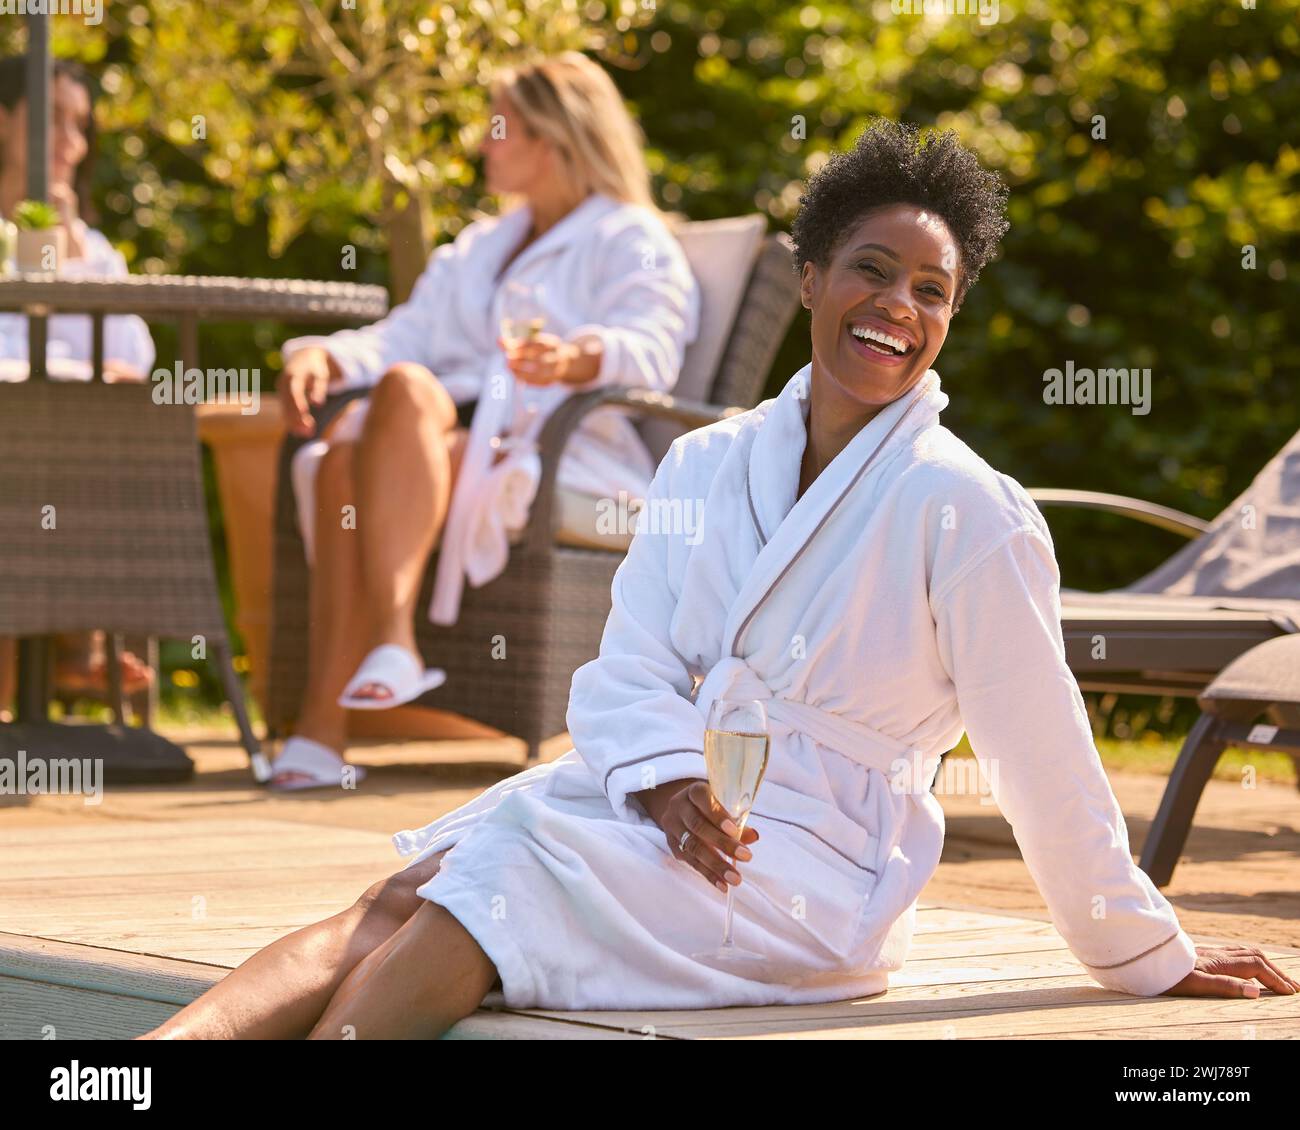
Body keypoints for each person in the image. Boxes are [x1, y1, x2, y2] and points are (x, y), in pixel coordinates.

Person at [139, 118, 1297, 1040]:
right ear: (809, 279)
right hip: (664, 806)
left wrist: (1141, 946)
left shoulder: (964, 507)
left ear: (950, 317)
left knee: (483, 893)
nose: (896, 305)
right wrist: (661, 778)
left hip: (813, 868)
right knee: (401, 895)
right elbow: (624, 670)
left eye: (931, 292)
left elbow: (1041, 748)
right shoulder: (705, 461)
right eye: (871, 270)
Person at [267, 51, 701, 791]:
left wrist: (574, 358)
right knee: (392, 397)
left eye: (500, 127)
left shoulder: (630, 237)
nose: (483, 143)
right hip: (438, 429)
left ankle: (326, 724)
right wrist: (328, 360)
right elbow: (404, 335)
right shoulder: (479, 246)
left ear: (555, 139)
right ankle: (382, 656)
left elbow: (655, 346)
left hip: (551, 436)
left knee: (355, 451)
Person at [0, 56, 156, 711]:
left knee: (70, 434)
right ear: (3, 122)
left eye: (81, 124)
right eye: (53, 120)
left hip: (64, 456)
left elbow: (132, 358)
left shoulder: (92, 247)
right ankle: (67, 646)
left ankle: (57, 648)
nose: (73, 141)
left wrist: (73, 253)